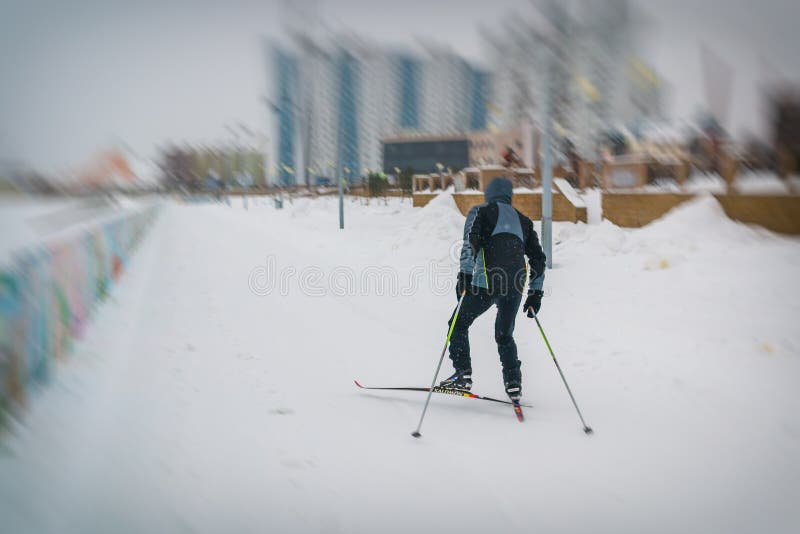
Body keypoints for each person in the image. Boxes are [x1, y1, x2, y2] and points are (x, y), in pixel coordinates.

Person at [441, 177, 546, 401]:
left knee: (458, 324)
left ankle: (462, 374)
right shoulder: (524, 221)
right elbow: (538, 258)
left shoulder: (482, 212)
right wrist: (535, 293)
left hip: (486, 282)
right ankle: (513, 383)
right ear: (510, 195)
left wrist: (465, 275)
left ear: (489, 194)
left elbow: (470, 243)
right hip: (516, 284)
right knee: (504, 335)